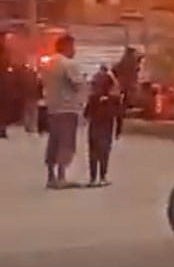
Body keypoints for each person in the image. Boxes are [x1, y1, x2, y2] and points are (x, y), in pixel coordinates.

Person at [43, 35, 89, 188]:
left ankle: (51, 176)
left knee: (53, 142)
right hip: (67, 108)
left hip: (52, 108)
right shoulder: (68, 64)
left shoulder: (49, 63)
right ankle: (61, 176)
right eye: (73, 47)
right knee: (66, 142)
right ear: (66, 46)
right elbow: (77, 84)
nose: (74, 50)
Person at [84, 67, 122, 186]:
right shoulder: (114, 99)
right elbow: (119, 115)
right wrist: (118, 131)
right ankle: (102, 177)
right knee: (104, 152)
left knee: (93, 152)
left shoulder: (93, 98)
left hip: (94, 127)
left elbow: (86, 114)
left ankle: (93, 178)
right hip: (106, 128)